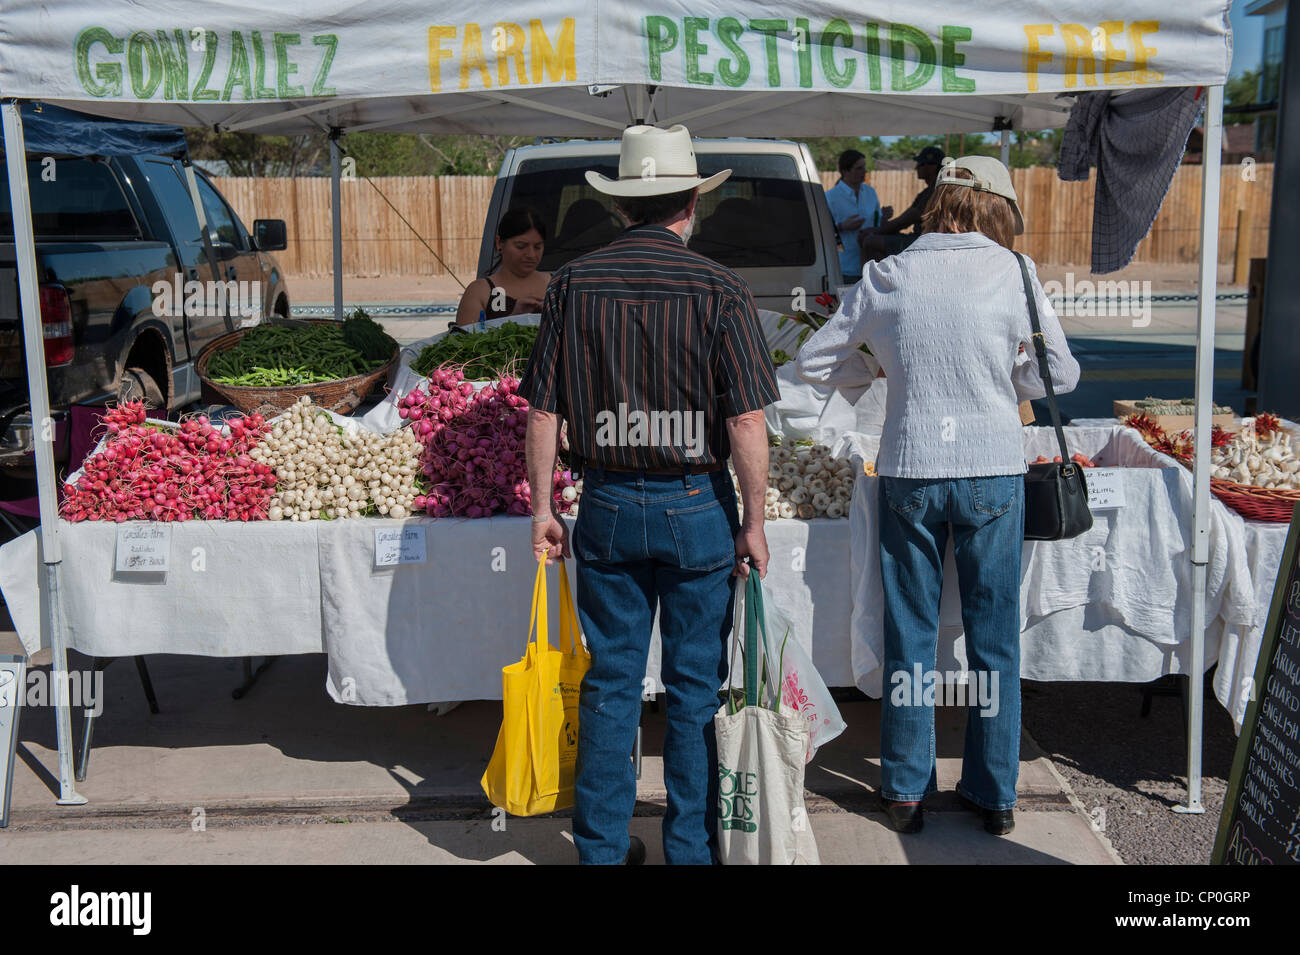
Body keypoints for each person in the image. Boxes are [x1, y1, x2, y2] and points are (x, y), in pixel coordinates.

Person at [794, 156, 1079, 838]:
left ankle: (904, 787)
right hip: (990, 470)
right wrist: (997, 382)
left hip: (910, 469)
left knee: (911, 637)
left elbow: (811, 363)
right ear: (993, 208)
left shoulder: (888, 274)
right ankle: (993, 790)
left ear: (939, 202)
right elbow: (1060, 372)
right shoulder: (1015, 273)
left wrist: (885, 365)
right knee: (993, 641)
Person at [519, 123, 779, 865]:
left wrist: (543, 509)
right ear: (692, 202)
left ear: (619, 206)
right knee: (694, 692)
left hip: (604, 507)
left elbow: (543, 411)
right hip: (696, 505)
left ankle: (600, 850)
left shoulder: (572, 282)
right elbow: (747, 418)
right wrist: (755, 520)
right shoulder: (722, 288)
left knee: (611, 684)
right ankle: (690, 852)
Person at [455, 207, 550, 325]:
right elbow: (465, 341)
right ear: (499, 243)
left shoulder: (557, 284)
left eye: (537, 247)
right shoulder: (480, 292)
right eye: (521, 246)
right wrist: (513, 319)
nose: (531, 255)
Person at [858, 145, 944, 262]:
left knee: (870, 242)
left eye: (921, 163)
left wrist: (877, 230)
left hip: (927, 242)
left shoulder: (935, 191)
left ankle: (873, 280)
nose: (917, 167)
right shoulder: (929, 191)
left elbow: (904, 221)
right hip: (922, 239)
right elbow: (904, 220)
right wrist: (882, 226)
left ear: (932, 167)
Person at [824, 149, 887, 284]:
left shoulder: (870, 192)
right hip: (844, 267)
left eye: (864, 167)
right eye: (859, 168)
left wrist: (885, 217)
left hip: (871, 267)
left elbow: (878, 222)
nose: (864, 171)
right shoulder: (830, 197)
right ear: (845, 171)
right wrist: (842, 226)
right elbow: (821, 232)